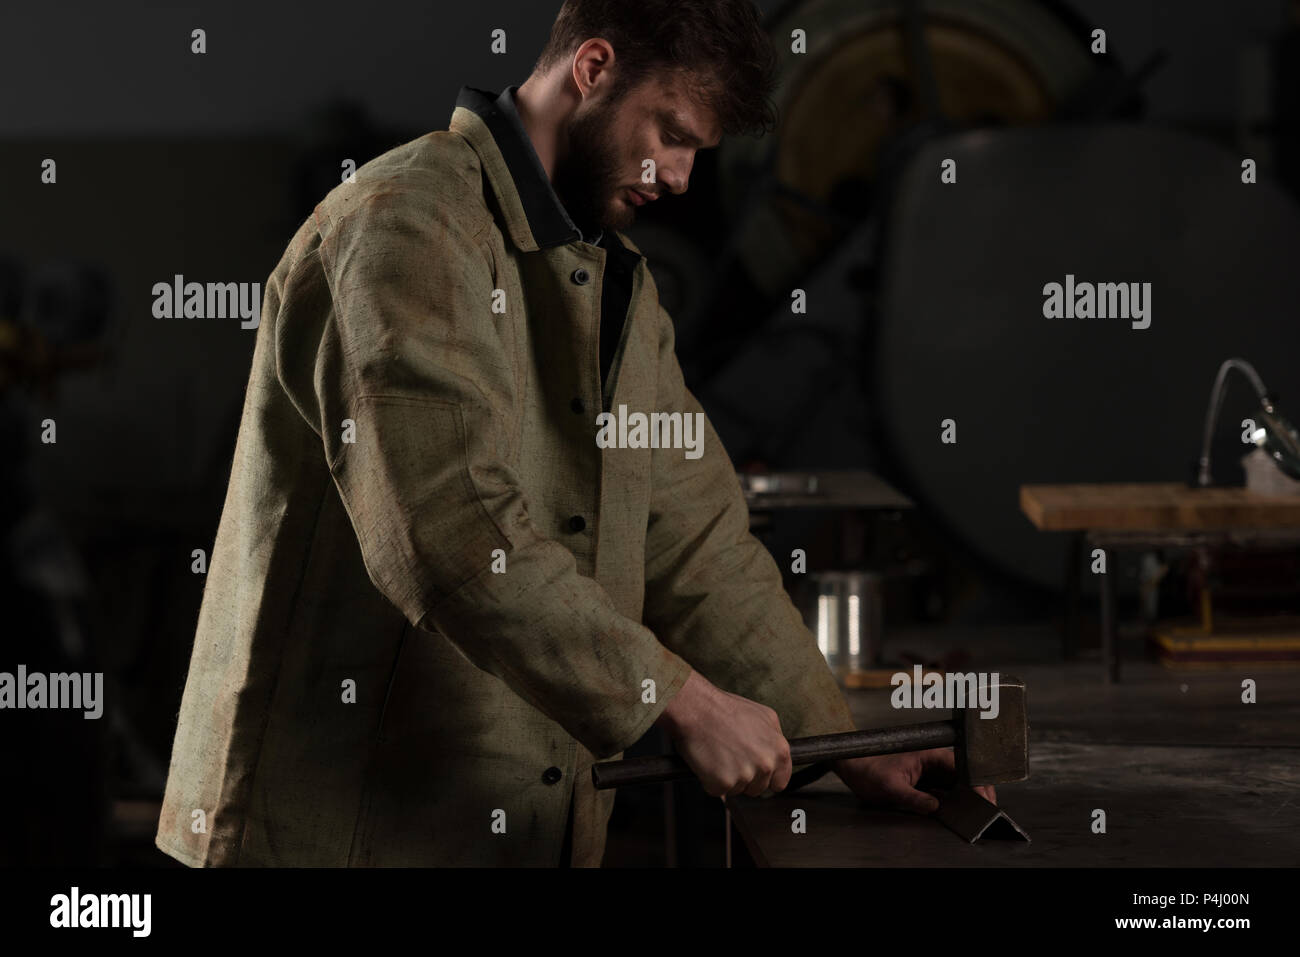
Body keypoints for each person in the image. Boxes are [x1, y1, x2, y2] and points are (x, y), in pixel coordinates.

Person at [155, 0, 992, 868]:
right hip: (331, 838)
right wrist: (683, 703)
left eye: (696, 151)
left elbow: (700, 548)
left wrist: (846, 745)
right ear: (592, 69)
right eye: (671, 134)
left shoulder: (616, 286)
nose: (679, 178)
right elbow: (447, 531)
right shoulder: (405, 224)